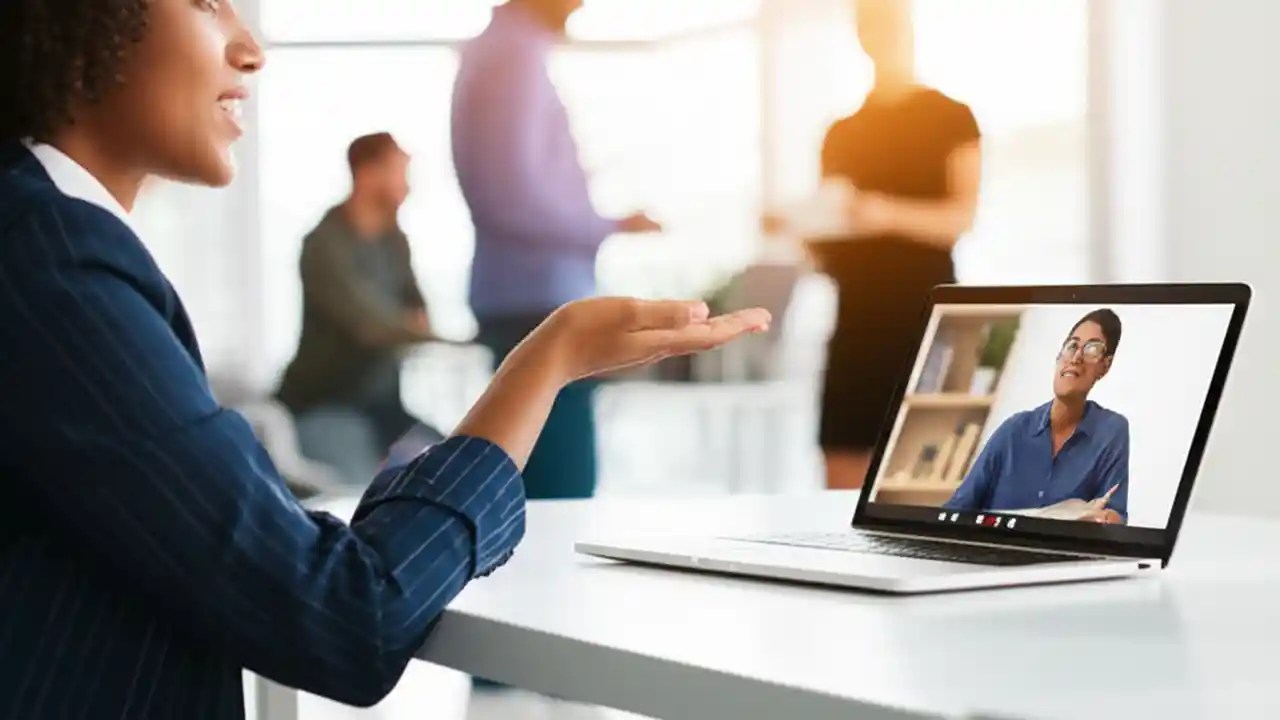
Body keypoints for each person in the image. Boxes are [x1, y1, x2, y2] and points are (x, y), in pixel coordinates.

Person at [0, 2, 770, 717]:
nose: (249, 46)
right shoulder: (53, 265)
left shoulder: (52, 244)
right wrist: (548, 359)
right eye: (205, 0)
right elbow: (343, 617)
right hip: (335, 408)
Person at [452, 0, 663, 500]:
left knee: (545, 501)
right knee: (558, 504)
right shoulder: (512, 56)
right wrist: (606, 225)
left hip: (529, 303)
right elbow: (514, 198)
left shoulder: (505, 50)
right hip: (536, 309)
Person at [807, 0, 983, 490]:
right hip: (856, 322)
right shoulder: (841, 132)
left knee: (930, 479)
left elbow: (960, 218)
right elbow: (827, 233)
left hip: (925, 317)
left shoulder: (950, 116)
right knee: (842, 471)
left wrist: (880, 211)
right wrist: (802, 234)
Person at [276, 132, 442, 485]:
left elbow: (420, 314)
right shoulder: (323, 243)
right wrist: (405, 325)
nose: (407, 186)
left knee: (450, 469)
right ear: (367, 174)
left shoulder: (394, 239)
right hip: (326, 405)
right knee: (359, 495)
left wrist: (407, 324)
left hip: (383, 408)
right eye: (399, 172)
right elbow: (368, 323)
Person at [945, 310, 1130, 524]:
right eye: (1072, 346)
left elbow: (1115, 515)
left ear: (1105, 366)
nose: (1077, 357)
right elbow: (955, 510)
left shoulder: (1110, 431)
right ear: (1059, 358)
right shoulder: (1014, 430)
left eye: (1092, 349)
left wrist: (1101, 520)